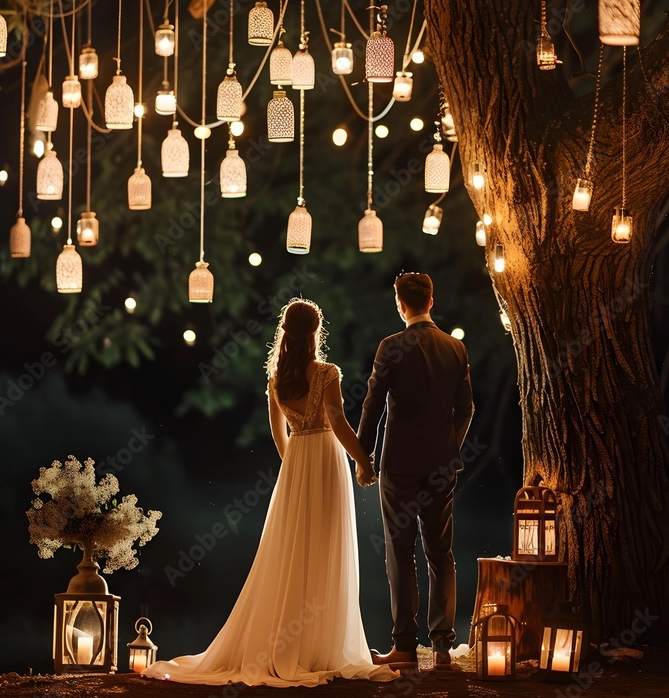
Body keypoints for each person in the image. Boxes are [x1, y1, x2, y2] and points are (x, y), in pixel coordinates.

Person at [143, 298, 397, 688]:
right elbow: (337, 421)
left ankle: (292, 641)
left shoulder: (276, 378)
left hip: (296, 462)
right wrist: (363, 460)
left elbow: (279, 434)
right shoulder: (327, 373)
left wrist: (295, 464)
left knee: (291, 548)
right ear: (316, 331)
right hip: (327, 461)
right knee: (326, 545)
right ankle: (320, 647)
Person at [357, 272, 474, 672]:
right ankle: (442, 647)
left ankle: (405, 647)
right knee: (441, 552)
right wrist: (450, 447)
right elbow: (467, 409)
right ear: (431, 300)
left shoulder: (391, 347)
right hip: (442, 465)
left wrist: (363, 457)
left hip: (399, 465)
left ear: (399, 304)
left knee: (400, 551)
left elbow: (372, 406)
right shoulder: (455, 348)